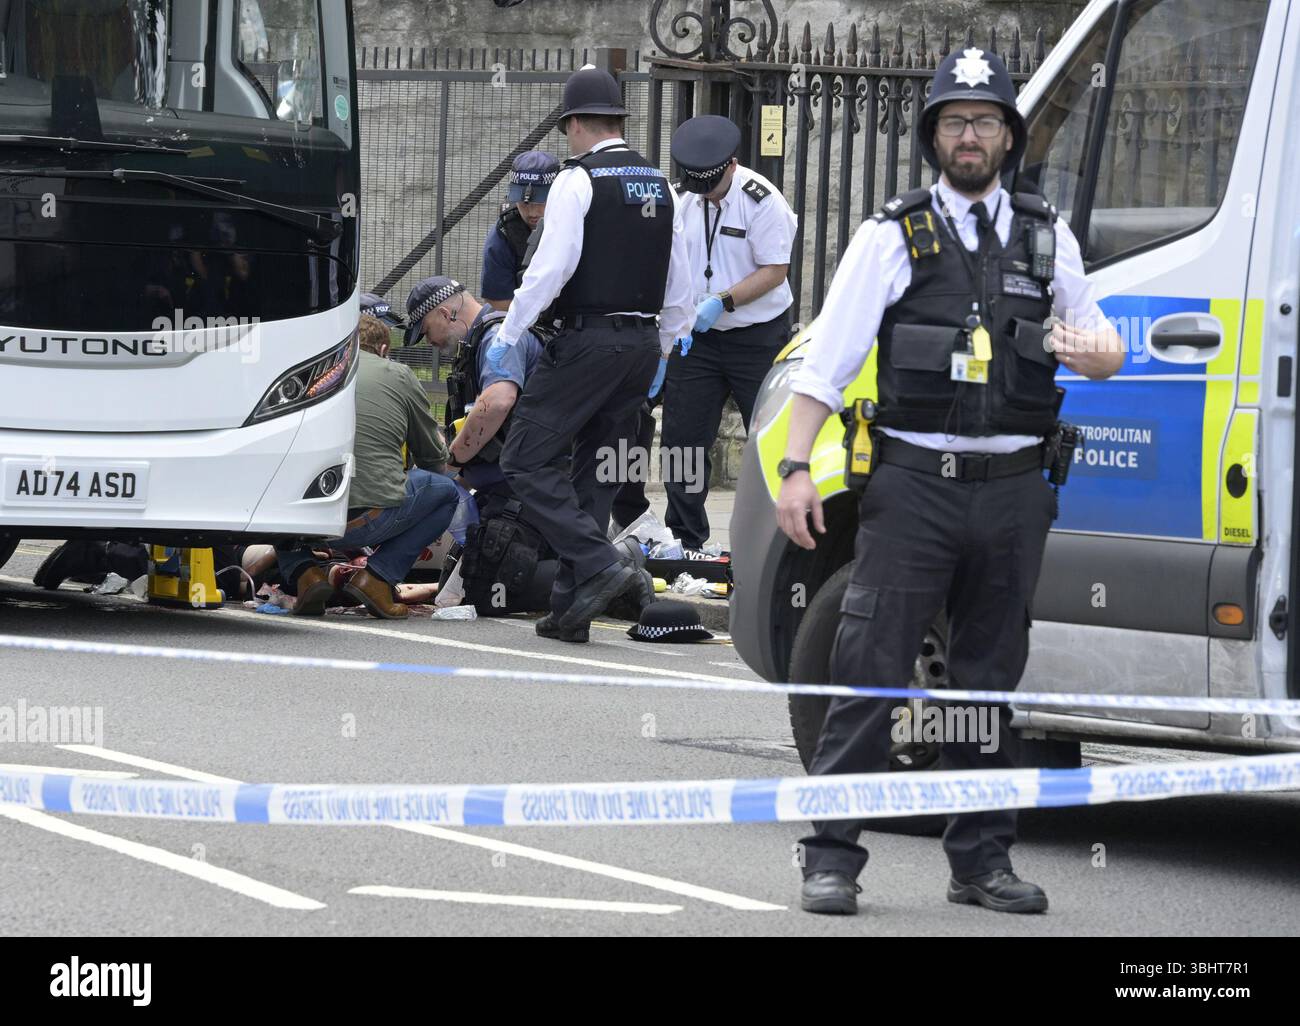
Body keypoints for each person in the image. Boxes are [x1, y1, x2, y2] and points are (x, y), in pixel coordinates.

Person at [776, 46, 1124, 916]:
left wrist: (1099, 355)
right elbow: (829, 358)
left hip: (1012, 489)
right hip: (914, 487)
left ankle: (980, 862)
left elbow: (1103, 346)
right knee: (871, 669)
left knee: (986, 680)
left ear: (1009, 136)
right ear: (934, 135)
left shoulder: (1047, 236)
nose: (970, 136)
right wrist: (792, 467)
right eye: (955, 122)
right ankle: (829, 858)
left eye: (986, 121)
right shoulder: (891, 233)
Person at [491, 66, 694, 641]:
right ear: (618, 121)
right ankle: (570, 609)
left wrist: (511, 332)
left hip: (586, 340)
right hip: (640, 345)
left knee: (526, 459)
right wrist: (664, 344)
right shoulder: (661, 184)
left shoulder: (577, 181)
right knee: (598, 471)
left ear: (575, 123)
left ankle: (602, 563)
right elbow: (682, 282)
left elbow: (550, 268)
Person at [663, 114, 797, 551]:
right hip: (695, 338)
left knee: (769, 439)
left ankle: (773, 541)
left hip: (755, 336)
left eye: (712, 186)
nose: (705, 194)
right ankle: (685, 541)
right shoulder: (684, 198)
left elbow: (775, 270)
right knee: (683, 440)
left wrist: (721, 302)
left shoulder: (763, 201)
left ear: (732, 166)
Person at [276, 314, 459, 620]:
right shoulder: (398, 374)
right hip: (368, 518)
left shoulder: (307, 369)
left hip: (300, 519)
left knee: (273, 481)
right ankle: (378, 577)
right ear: (384, 349)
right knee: (445, 492)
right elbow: (432, 458)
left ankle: (304, 572)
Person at [480, 150, 561, 311]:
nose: (532, 212)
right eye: (524, 204)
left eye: (540, 202)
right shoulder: (503, 234)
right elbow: (497, 303)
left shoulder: (578, 222)